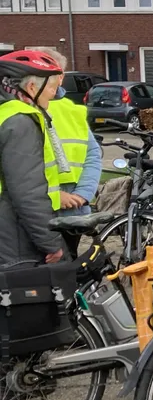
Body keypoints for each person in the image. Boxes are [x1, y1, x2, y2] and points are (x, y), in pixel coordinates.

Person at [0, 50, 66, 267]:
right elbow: (27, 191)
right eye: (52, 87)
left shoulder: (4, 114)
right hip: (16, 241)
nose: (54, 94)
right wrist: (51, 242)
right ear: (31, 88)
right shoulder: (20, 122)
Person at [33, 48, 102, 256]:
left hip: (73, 210)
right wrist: (54, 195)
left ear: (61, 76)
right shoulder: (22, 110)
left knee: (68, 263)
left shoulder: (72, 110)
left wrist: (82, 194)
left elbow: (92, 155)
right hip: (38, 210)